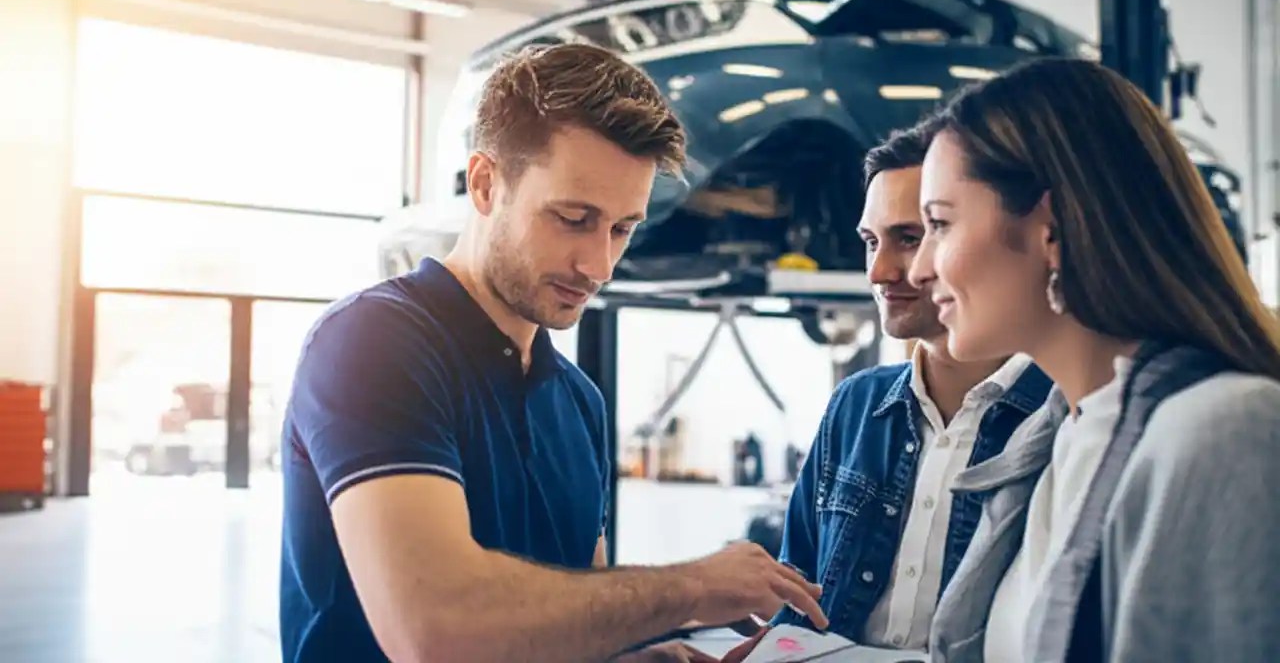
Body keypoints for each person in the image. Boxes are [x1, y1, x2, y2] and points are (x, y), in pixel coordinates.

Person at [278, 43, 825, 663]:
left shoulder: (579, 401)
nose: (599, 265)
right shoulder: (374, 342)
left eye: (622, 229)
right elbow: (436, 629)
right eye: (572, 217)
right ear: (485, 183)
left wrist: (644, 659)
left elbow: (565, 632)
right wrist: (693, 586)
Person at [911, 58, 1280, 662]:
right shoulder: (1058, 439)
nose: (921, 268)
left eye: (939, 225)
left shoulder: (1227, 428)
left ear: (1050, 227)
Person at [726, 126, 1052, 661]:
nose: (880, 271)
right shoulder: (855, 407)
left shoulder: (1057, 418)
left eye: (909, 237)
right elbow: (799, 595)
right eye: (871, 242)